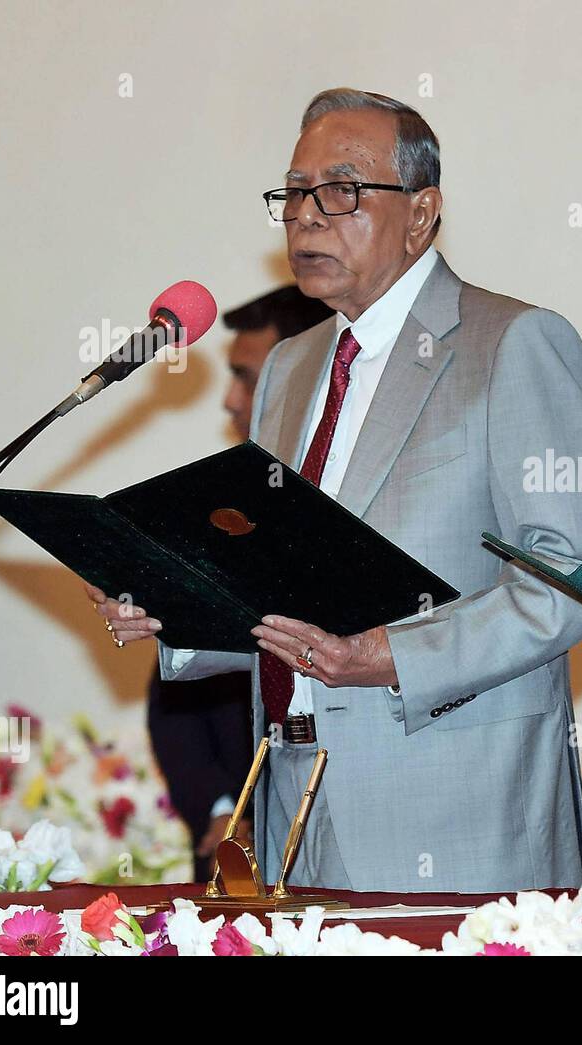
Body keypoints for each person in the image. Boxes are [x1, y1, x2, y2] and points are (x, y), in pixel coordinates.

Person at [90, 89, 582, 893]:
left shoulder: (510, 344)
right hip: (290, 796)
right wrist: (174, 607)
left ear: (422, 212)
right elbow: (284, 597)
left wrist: (389, 654)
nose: (306, 215)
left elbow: (572, 578)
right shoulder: (292, 368)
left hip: (457, 806)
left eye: (341, 190)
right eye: (295, 193)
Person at [146, 285, 331, 881]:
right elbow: (174, 694)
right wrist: (227, 812)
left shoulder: (373, 511)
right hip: (237, 853)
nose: (229, 400)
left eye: (248, 379)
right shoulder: (225, 513)